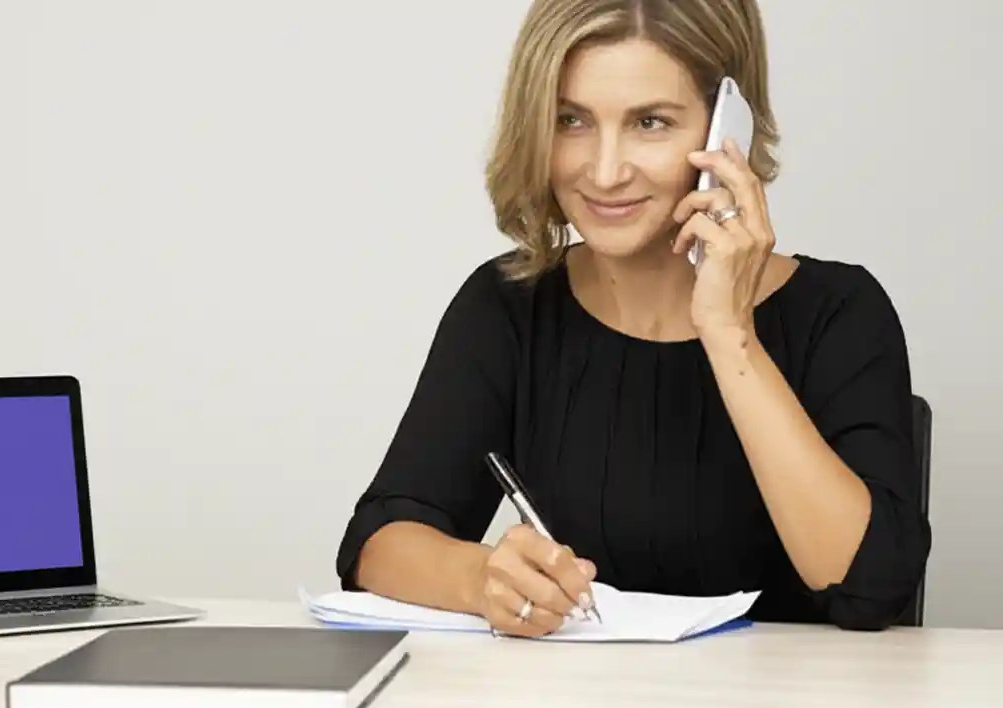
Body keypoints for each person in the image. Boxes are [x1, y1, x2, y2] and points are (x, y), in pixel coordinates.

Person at [334, 0, 931, 635]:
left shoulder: (839, 313)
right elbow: (377, 545)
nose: (605, 171)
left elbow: (872, 588)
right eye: (572, 120)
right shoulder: (509, 304)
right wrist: (482, 579)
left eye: (650, 122)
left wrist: (730, 338)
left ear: (727, 130)